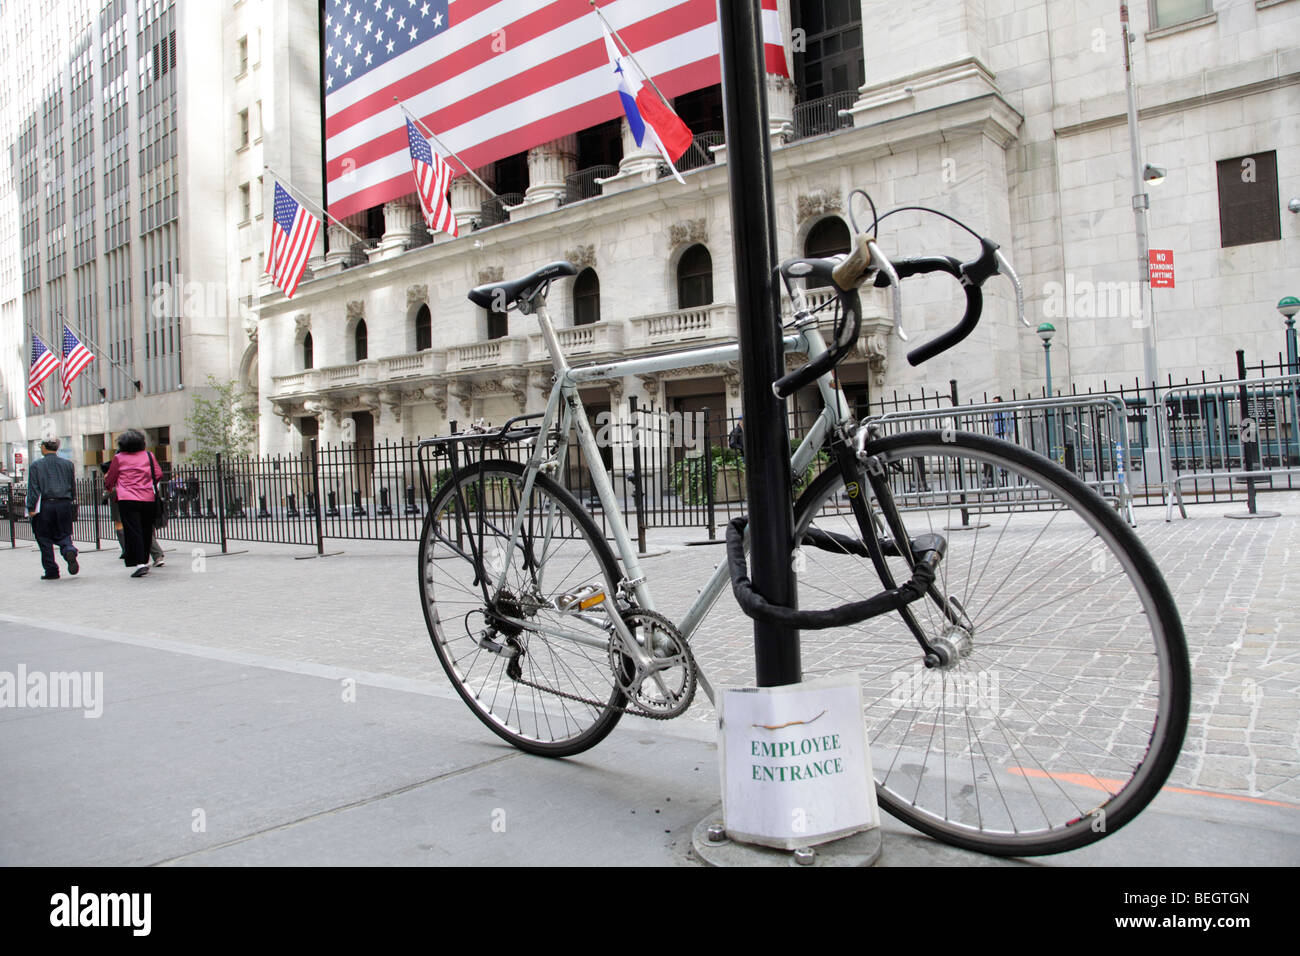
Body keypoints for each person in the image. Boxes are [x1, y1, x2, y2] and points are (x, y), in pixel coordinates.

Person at [103, 429, 161, 578]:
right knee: (147, 529)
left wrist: (109, 487)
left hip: (127, 499)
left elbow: (111, 477)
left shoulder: (119, 458)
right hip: (148, 498)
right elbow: (158, 474)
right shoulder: (149, 455)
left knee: (133, 530)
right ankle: (145, 559)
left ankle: (139, 563)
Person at [25, 438, 78, 580]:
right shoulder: (68, 464)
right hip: (64, 503)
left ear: (43, 447)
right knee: (64, 533)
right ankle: (69, 550)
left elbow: (34, 488)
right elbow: (72, 485)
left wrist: (31, 507)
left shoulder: (36, 466)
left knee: (43, 537)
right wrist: (71, 499)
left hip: (45, 505)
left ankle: (51, 570)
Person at [101, 460, 165, 567]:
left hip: (129, 503)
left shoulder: (120, 469)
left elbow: (110, 488)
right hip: (143, 499)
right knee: (142, 529)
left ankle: (147, 558)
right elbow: (157, 475)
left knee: (137, 530)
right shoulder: (141, 463)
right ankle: (154, 556)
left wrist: (107, 491)